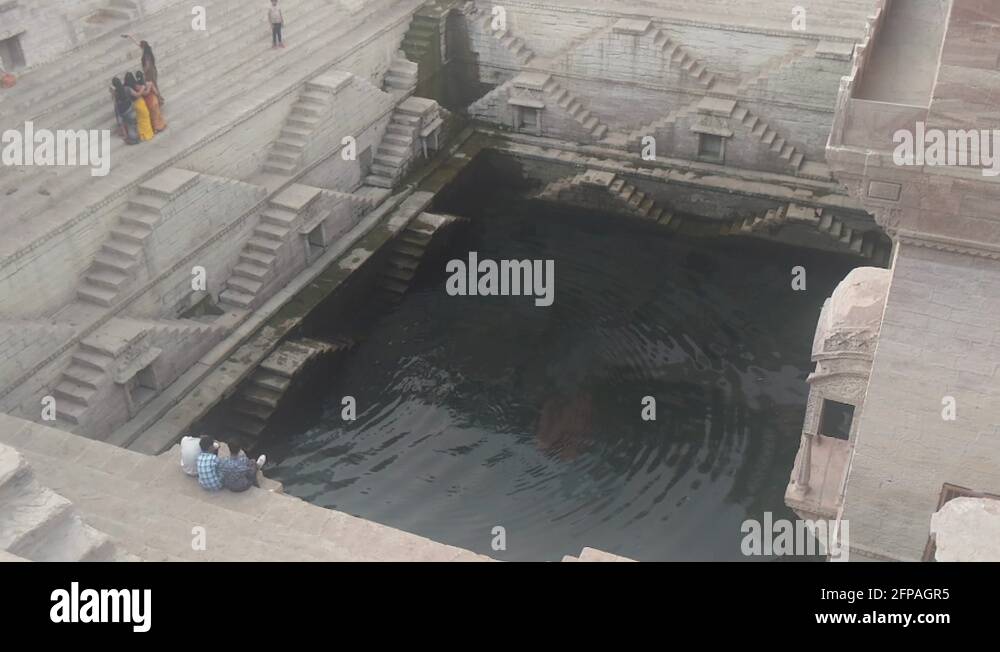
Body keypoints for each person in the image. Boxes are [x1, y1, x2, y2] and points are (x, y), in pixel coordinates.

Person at [124, 35, 164, 103]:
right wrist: (130, 36)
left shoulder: (146, 55)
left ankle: (159, 99)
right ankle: (158, 98)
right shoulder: (147, 50)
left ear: (142, 47)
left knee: (153, 85)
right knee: (153, 85)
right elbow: (137, 43)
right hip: (152, 70)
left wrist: (144, 72)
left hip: (150, 72)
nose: (139, 46)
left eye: (140, 46)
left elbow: (147, 65)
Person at [124, 72, 154, 142]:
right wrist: (144, 87)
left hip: (133, 104)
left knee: (140, 120)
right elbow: (141, 94)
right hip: (139, 103)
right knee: (145, 117)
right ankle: (147, 134)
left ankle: (142, 134)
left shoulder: (125, 87)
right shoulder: (135, 86)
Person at [113, 77, 139, 144]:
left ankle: (134, 140)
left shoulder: (116, 93)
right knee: (133, 125)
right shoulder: (127, 88)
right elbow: (136, 94)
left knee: (130, 126)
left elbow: (116, 103)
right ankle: (137, 137)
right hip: (130, 108)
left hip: (123, 112)